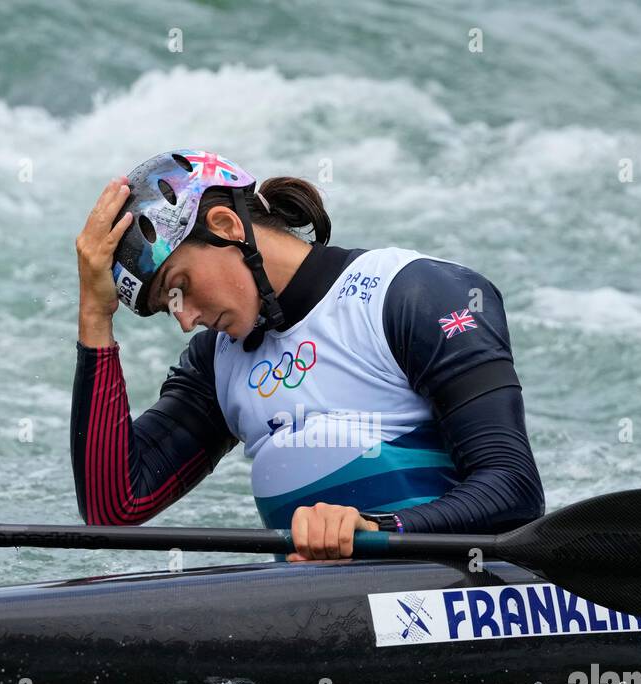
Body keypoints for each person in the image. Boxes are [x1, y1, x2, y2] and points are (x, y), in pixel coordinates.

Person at [71, 149, 543, 561]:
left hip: (454, 594)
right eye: (167, 308)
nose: (185, 319)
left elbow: (515, 487)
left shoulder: (412, 294)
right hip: (325, 610)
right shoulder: (217, 361)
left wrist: (380, 530)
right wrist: (95, 315)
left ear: (226, 225)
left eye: (180, 288)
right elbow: (114, 505)